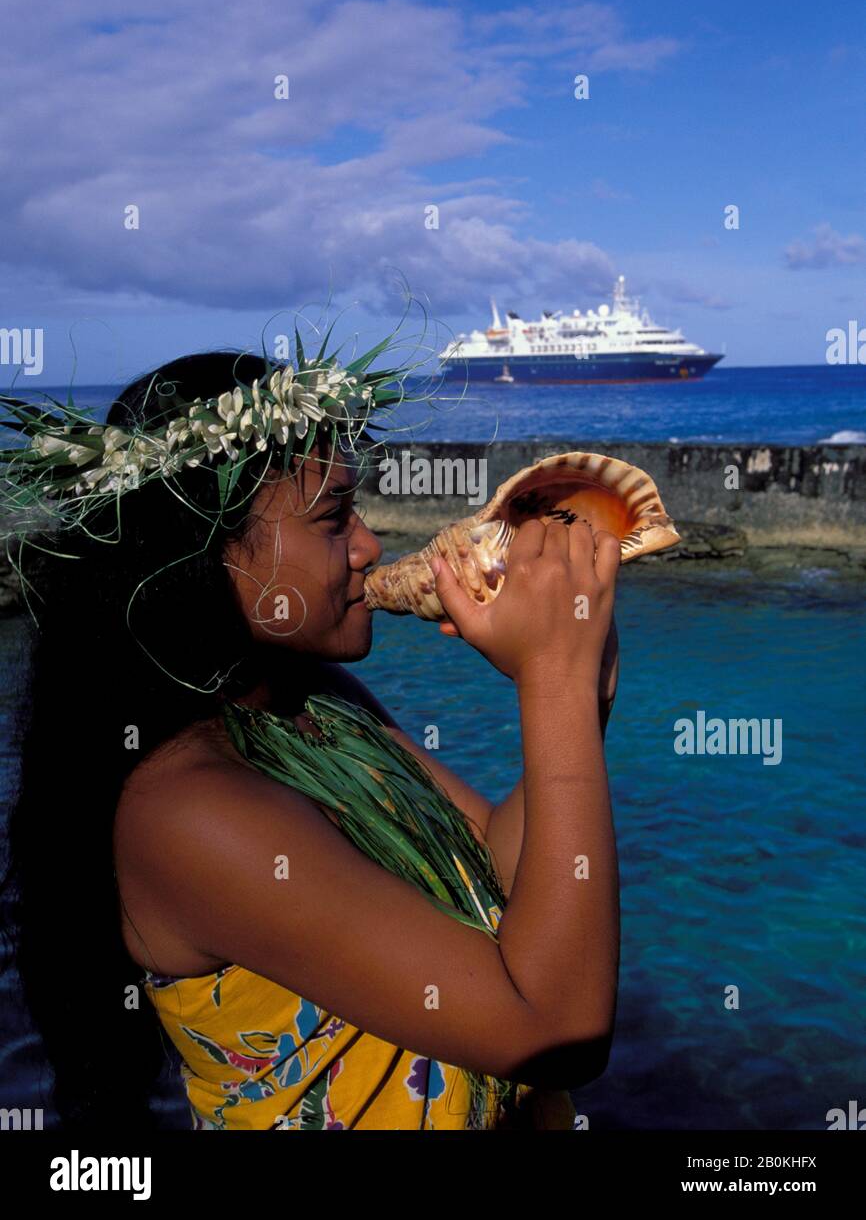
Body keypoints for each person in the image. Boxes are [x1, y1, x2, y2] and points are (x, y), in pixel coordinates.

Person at [0, 332, 620, 1131]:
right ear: (205, 559)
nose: (368, 546)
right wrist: (554, 683)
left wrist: (584, 689)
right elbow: (554, 1032)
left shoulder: (317, 703)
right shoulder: (185, 813)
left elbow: (495, 861)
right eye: (334, 519)